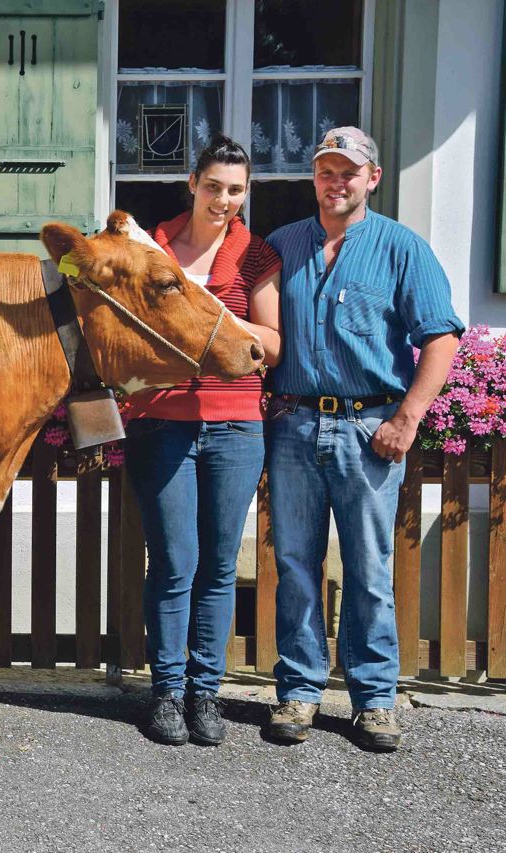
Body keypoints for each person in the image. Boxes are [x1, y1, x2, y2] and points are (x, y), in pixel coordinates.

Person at [263, 127, 463, 752]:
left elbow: (441, 337)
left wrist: (407, 418)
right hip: (293, 426)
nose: (336, 181)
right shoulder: (280, 246)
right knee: (295, 566)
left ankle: (374, 699)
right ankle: (298, 692)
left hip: (368, 429)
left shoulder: (402, 248)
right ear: (314, 178)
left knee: (369, 570)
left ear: (372, 178)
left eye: (349, 171)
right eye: (326, 169)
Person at [124, 134, 282, 746]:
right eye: (213, 186)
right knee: (172, 561)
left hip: (237, 424)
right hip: (161, 420)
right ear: (192, 183)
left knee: (218, 566)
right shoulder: (152, 248)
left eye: (235, 190)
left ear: (246, 194)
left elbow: (271, 345)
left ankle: (205, 693)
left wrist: (210, 316)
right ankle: (166, 691)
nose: (223, 199)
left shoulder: (255, 256)